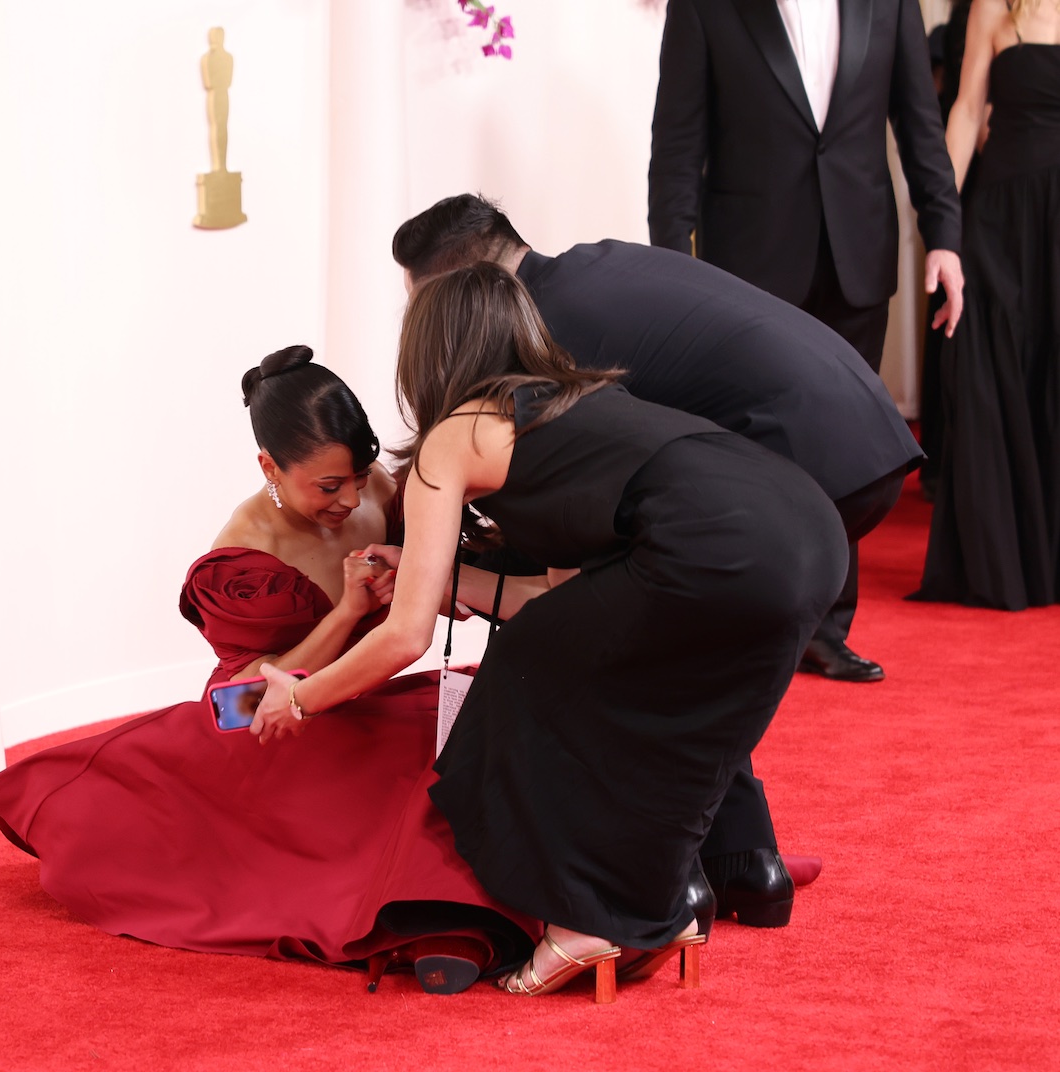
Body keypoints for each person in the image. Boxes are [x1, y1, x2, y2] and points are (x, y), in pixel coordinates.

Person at [252, 265, 846, 1001]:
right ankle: (666, 909)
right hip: (808, 535)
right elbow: (556, 598)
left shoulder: (456, 434)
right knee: (662, 715)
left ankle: (580, 924)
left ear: (430, 353)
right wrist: (433, 577)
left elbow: (406, 638)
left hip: (713, 547)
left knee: (522, 677)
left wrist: (303, 696)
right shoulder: (587, 401)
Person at [391, 193, 916, 927]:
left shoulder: (544, 331)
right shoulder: (597, 268)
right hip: (867, 436)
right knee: (686, 643)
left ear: (460, 288)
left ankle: (665, 874)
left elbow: (577, 502)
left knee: (647, 644)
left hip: (790, 465)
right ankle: (742, 862)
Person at [0, 346, 542, 994]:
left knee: (478, 705)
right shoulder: (239, 555)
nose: (351, 496)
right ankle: (441, 918)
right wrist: (347, 612)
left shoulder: (379, 488)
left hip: (358, 693)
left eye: (358, 473)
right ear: (269, 466)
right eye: (329, 486)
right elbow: (246, 694)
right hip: (258, 720)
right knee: (405, 752)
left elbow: (417, 600)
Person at [648, 0, 965, 374]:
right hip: (749, 276)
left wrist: (944, 237)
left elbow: (920, 123)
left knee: (854, 424)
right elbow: (677, 155)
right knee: (755, 428)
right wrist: (675, 279)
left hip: (860, 266)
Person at [912, 0, 1060, 609]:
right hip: (1000, 217)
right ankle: (1007, 561)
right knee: (992, 362)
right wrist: (942, 225)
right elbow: (968, 111)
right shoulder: (993, 8)